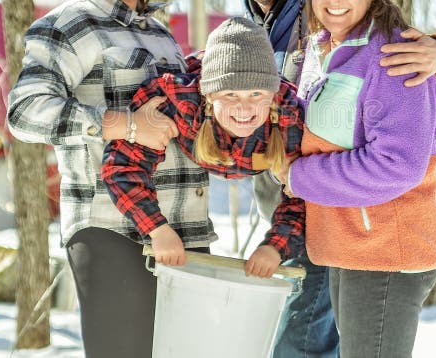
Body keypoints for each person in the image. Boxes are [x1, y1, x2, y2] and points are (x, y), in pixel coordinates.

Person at [223, 0, 436, 358]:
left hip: (385, 245)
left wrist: (296, 177)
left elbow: (398, 163)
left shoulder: (393, 55)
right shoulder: (318, 45)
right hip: (340, 238)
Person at [7, 0, 201, 358]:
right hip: (110, 226)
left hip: (182, 228)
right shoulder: (66, 25)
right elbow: (25, 112)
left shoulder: (161, 35)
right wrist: (125, 125)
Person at [100, 17, 305, 277]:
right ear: (209, 96)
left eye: (257, 94)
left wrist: (276, 247)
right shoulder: (177, 103)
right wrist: (157, 229)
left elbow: (304, 195)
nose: (244, 108)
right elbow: (122, 166)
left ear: (272, 95)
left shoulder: (289, 115)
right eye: (230, 95)